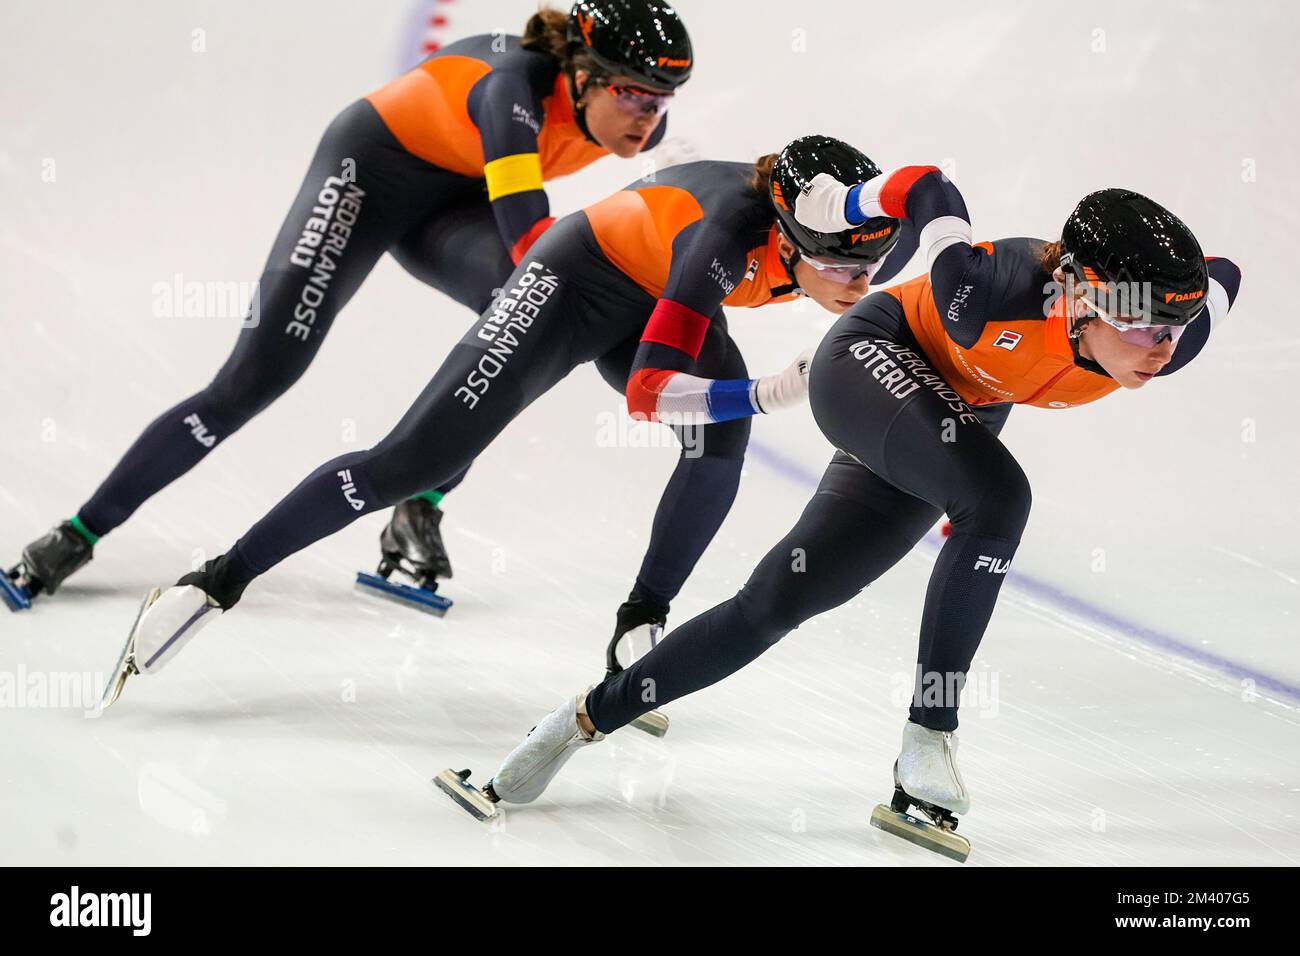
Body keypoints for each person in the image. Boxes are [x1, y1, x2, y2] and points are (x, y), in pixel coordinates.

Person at [465, 162, 1243, 856]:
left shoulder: (1175, 327)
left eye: (1174, 327)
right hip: (872, 362)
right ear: (1077, 291)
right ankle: (930, 738)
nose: (1162, 347)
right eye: (1143, 325)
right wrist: (848, 202)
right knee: (999, 496)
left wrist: (1180, 294)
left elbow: (1223, 274)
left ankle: (578, 721)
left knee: (774, 604)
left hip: (953, 411)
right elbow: (929, 185)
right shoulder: (985, 291)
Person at [98, 135, 913, 710]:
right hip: (574, 281)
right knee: (408, 463)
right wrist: (768, 392)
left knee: (718, 449)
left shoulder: (850, 230)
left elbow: (930, 207)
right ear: (785, 233)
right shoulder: (722, 243)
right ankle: (217, 580)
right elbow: (648, 394)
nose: (858, 280)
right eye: (841, 266)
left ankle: (640, 623)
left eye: (871, 263)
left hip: (655, 291)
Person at [4, 1, 689, 621]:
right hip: (369, 175)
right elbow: (534, 244)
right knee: (252, 382)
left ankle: (418, 504)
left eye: (663, 100)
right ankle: (77, 532)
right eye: (633, 94)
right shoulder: (513, 93)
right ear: (581, 74)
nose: (648, 117)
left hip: (455, 198)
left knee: (520, 317)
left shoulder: (636, 125)